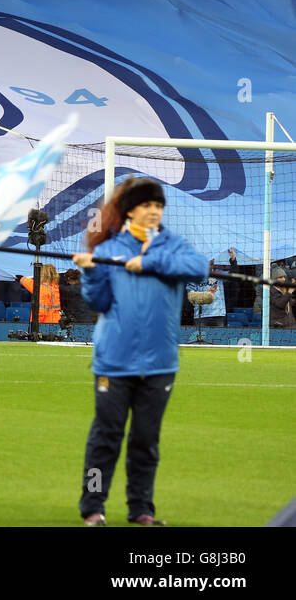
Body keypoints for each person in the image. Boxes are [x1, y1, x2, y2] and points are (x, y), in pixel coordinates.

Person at [72, 176, 208, 526]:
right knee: (105, 438)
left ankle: (142, 510)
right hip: (114, 361)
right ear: (131, 210)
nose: (153, 212)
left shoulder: (174, 246)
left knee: (146, 441)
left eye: (158, 206)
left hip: (160, 362)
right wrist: (89, 274)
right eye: (147, 205)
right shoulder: (106, 251)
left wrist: (149, 264)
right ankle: (92, 507)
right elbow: (99, 301)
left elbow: (198, 268)